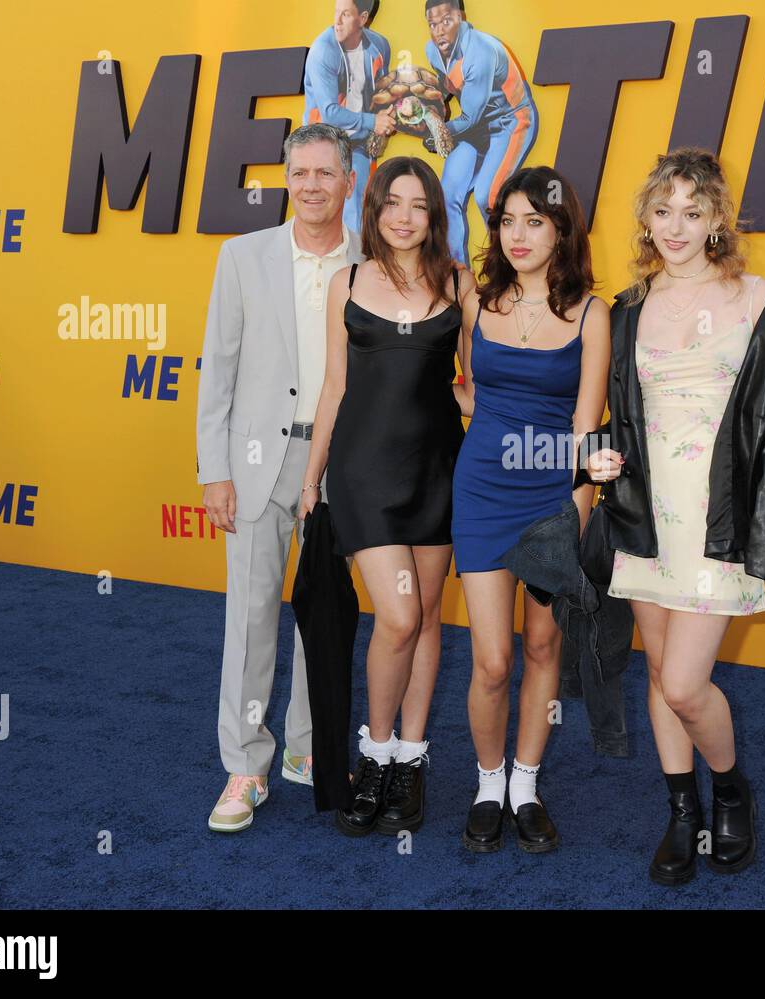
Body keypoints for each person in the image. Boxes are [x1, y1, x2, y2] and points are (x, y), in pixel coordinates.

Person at [586, 147, 765, 883]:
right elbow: (611, 411)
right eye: (662, 210)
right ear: (645, 218)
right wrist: (600, 458)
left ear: (718, 219)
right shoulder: (626, 307)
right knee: (658, 676)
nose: (676, 226)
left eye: (692, 211)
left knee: (685, 683)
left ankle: (730, 785)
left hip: (716, 519)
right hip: (644, 514)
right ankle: (683, 812)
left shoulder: (762, 300)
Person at [197, 123, 365, 832]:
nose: (313, 186)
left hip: (343, 460)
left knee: (322, 610)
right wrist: (215, 470)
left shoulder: (375, 262)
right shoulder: (242, 257)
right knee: (252, 613)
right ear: (286, 178)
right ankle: (244, 763)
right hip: (257, 460)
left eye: (327, 173)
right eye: (301, 173)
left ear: (349, 181)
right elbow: (220, 370)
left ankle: (304, 748)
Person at [300, 156, 469, 837]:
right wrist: (312, 480)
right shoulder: (345, 281)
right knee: (398, 616)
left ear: (434, 215)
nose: (404, 215)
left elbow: (475, 383)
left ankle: (410, 758)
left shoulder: (460, 284)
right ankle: (374, 753)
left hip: (438, 470)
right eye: (392, 202)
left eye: (418, 205)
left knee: (427, 617)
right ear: (374, 210)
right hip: (364, 474)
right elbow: (334, 386)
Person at [451, 166, 610, 852]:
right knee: (491, 661)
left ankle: (525, 781)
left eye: (534, 222)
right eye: (507, 221)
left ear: (561, 229)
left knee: (543, 642)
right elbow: (470, 392)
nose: (518, 236)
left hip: (552, 496)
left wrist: (575, 512)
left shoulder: (591, 313)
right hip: (483, 489)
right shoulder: (476, 303)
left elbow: (586, 425)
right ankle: (488, 781)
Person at [424, 0, 539, 265]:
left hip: (508, 123)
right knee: (446, 195)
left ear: (461, 18)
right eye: (433, 24)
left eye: (446, 21)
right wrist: (425, 111)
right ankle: (456, 273)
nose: (439, 30)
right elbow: (448, 87)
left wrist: (439, 132)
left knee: (487, 196)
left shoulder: (481, 52)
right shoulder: (432, 50)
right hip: (475, 130)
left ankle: (506, 270)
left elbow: (469, 118)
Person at [303, 0, 396, 236]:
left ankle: (358, 269)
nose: (337, 21)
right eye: (336, 12)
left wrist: (392, 111)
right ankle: (342, 271)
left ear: (363, 18)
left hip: (360, 146)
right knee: (332, 217)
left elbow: (381, 93)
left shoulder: (380, 46)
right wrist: (373, 121)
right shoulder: (324, 50)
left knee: (362, 214)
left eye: (345, 14)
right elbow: (330, 113)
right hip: (325, 145)